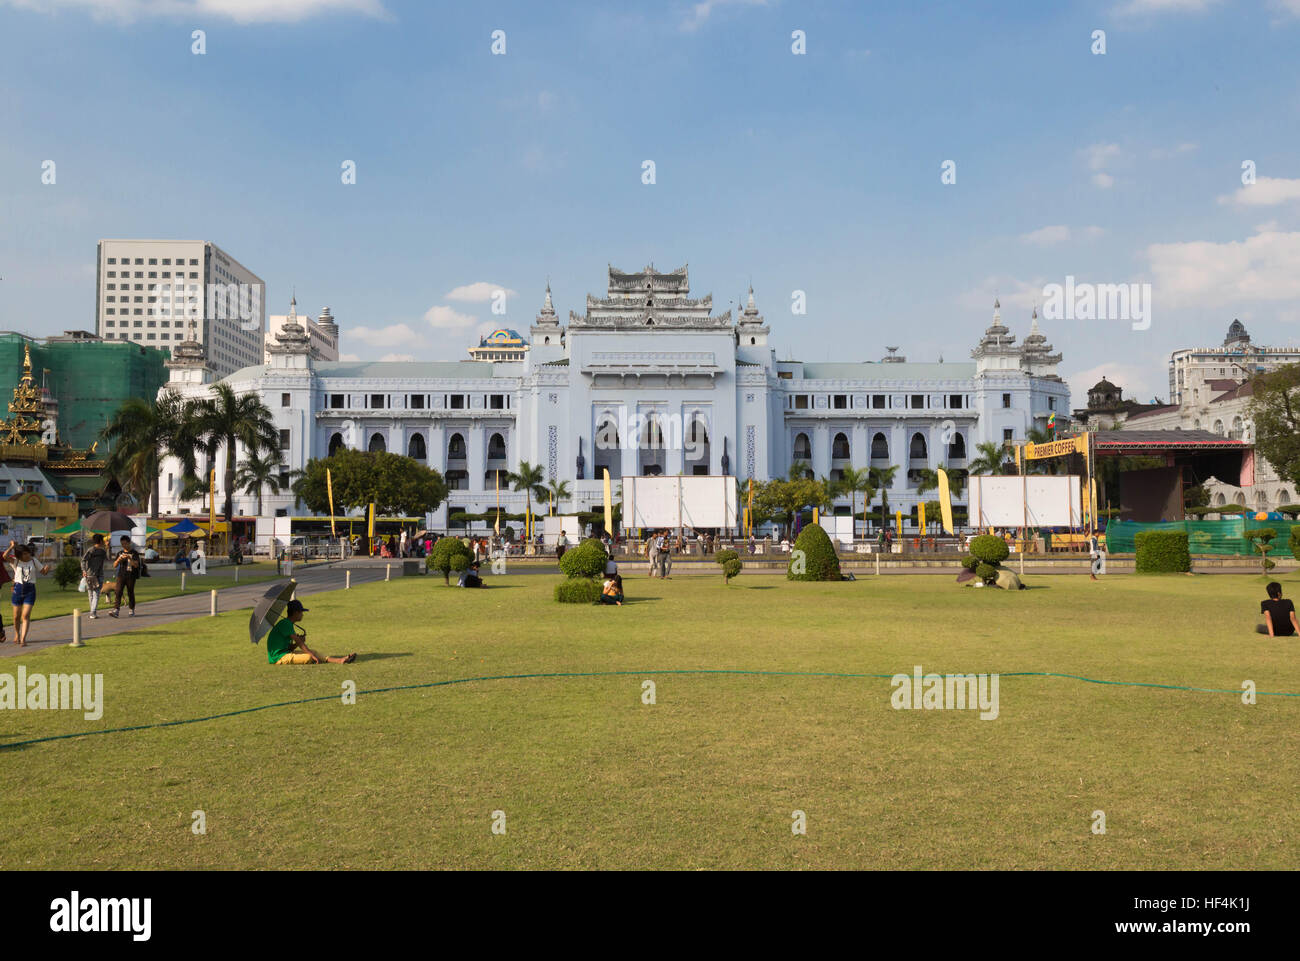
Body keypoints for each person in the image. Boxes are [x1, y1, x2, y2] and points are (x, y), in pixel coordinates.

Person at [266, 599, 356, 664]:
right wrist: (301, 643)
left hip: (285, 654)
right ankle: (316, 660)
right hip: (278, 658)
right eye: (301, 612)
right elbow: (301, 644)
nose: (302, 614)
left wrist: (299, 643)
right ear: (296, 613)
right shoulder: (285, 624)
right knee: (309, 656)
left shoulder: (287, 623)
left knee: (314, 652)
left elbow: (290, 648)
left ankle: (339, 660)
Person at [4, 542, 50, 646]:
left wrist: (47, 569)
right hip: (18, 589)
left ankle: (23, 639)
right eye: (24, 554)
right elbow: (5, 556)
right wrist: (11, 546)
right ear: (19, 555)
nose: (27, 555)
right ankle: (17, 634)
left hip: (30, 590)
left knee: (25, 616)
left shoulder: (34, 561)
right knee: (16, 616)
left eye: (27, 553)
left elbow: (43, 572)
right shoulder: (16, 562)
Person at [109, 535, 140, 618]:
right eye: (122, 544)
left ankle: (131, 609)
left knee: (130, 592)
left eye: (125, 544)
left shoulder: (134, 553)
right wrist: (119, 559)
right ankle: (116, 610)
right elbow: (114, 565)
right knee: (118, 591)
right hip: (121, 575)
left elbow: (136, 565)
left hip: (131, 576)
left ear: (129, 543)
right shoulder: (120, 553)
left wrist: (130, 558)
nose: (124, 545)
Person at [81, 533, 108, 620]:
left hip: (89, 575)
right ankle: (93, 612)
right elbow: (106, 558)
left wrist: (84, 570)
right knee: (96, 594)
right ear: (100, 541)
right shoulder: (102, 551)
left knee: (91, 594)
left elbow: (83, 560)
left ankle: (92, 612)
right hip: (98, 575)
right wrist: (107, 547)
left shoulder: (90, 550)